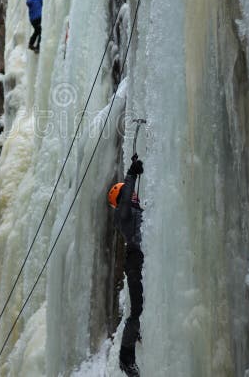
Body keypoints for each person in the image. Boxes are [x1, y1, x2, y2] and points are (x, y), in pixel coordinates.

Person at [108, 153, 145, 377]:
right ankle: (125, 357)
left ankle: (136, 333)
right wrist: (131, 174)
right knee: (137, 309)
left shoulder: (135, 213)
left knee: (142, 306)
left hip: (138, 261)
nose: (134, 195)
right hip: (134, 262)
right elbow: (124, 202)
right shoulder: (123, 215)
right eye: (130, 193)